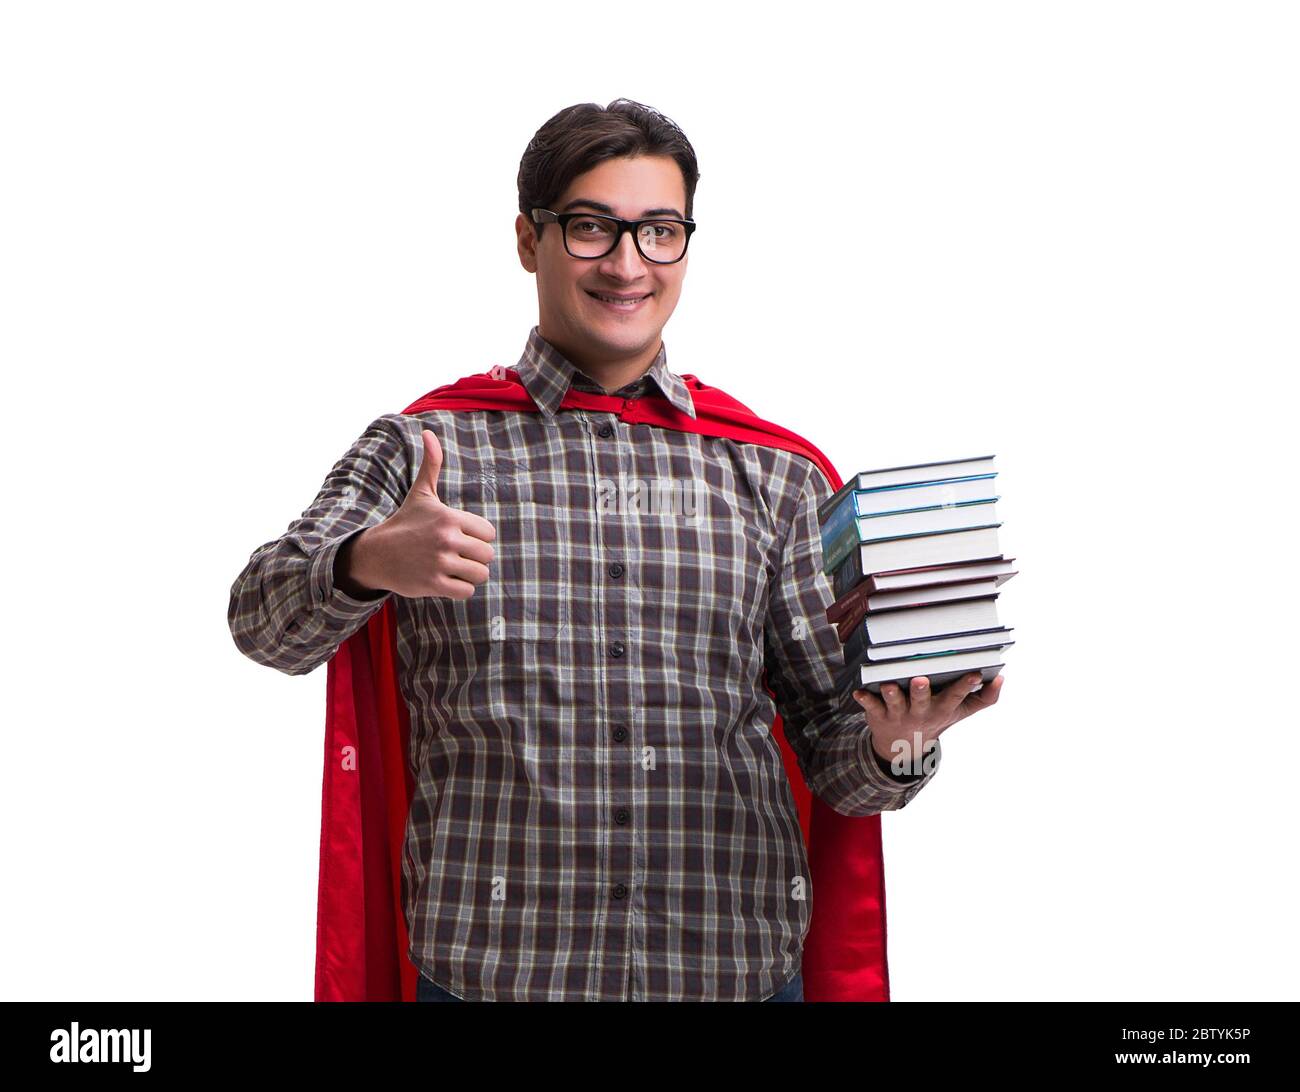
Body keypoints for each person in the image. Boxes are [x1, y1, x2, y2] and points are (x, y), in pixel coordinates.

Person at [227, 98, 1003, 1003]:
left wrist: (897, 747)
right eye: (592, 228)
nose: (628, 263)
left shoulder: (776, 474)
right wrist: (365, 560)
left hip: (733, 977)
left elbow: (835, 759)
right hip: (492, 980)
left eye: (659, 231)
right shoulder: (424, 452)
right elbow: (260, 623)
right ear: (530, 239)